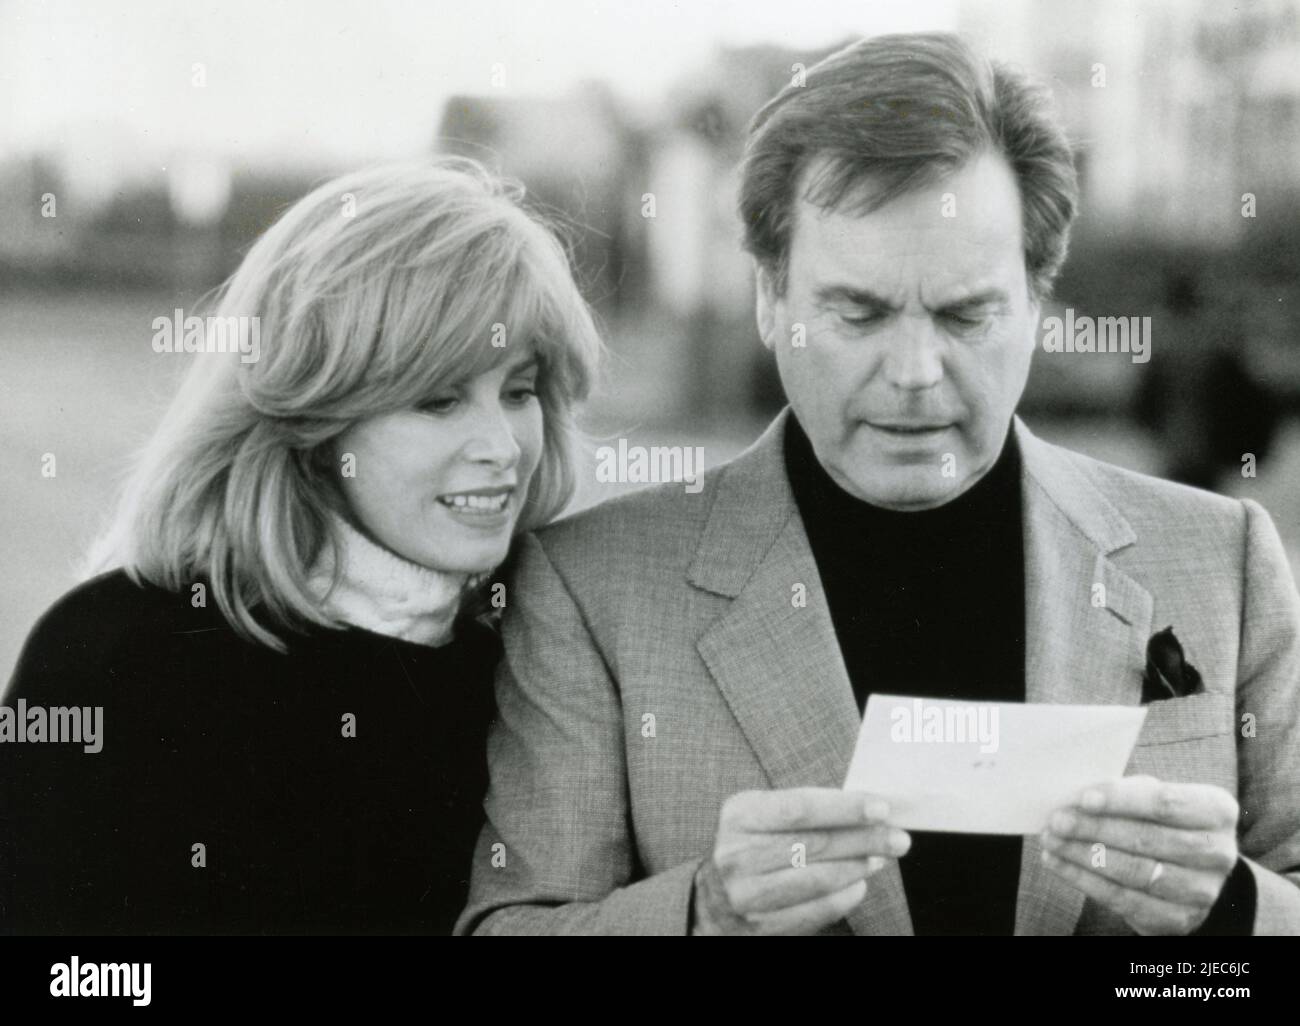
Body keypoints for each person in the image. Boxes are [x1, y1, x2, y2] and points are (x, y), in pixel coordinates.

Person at [456, 33, 1300, 936]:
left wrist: (1236, 915)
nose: (914, 373)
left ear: (1037, 301)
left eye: (966, 313)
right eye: (857, 313)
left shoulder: (1224, 560)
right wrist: (703, 916)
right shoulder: (593, 587)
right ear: (769, 301)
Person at [1, 158, 600, 935]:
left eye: (518, 392)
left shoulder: (551, 658)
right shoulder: (114, 654)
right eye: (438, 399)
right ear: (316, 419)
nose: (502, 446)